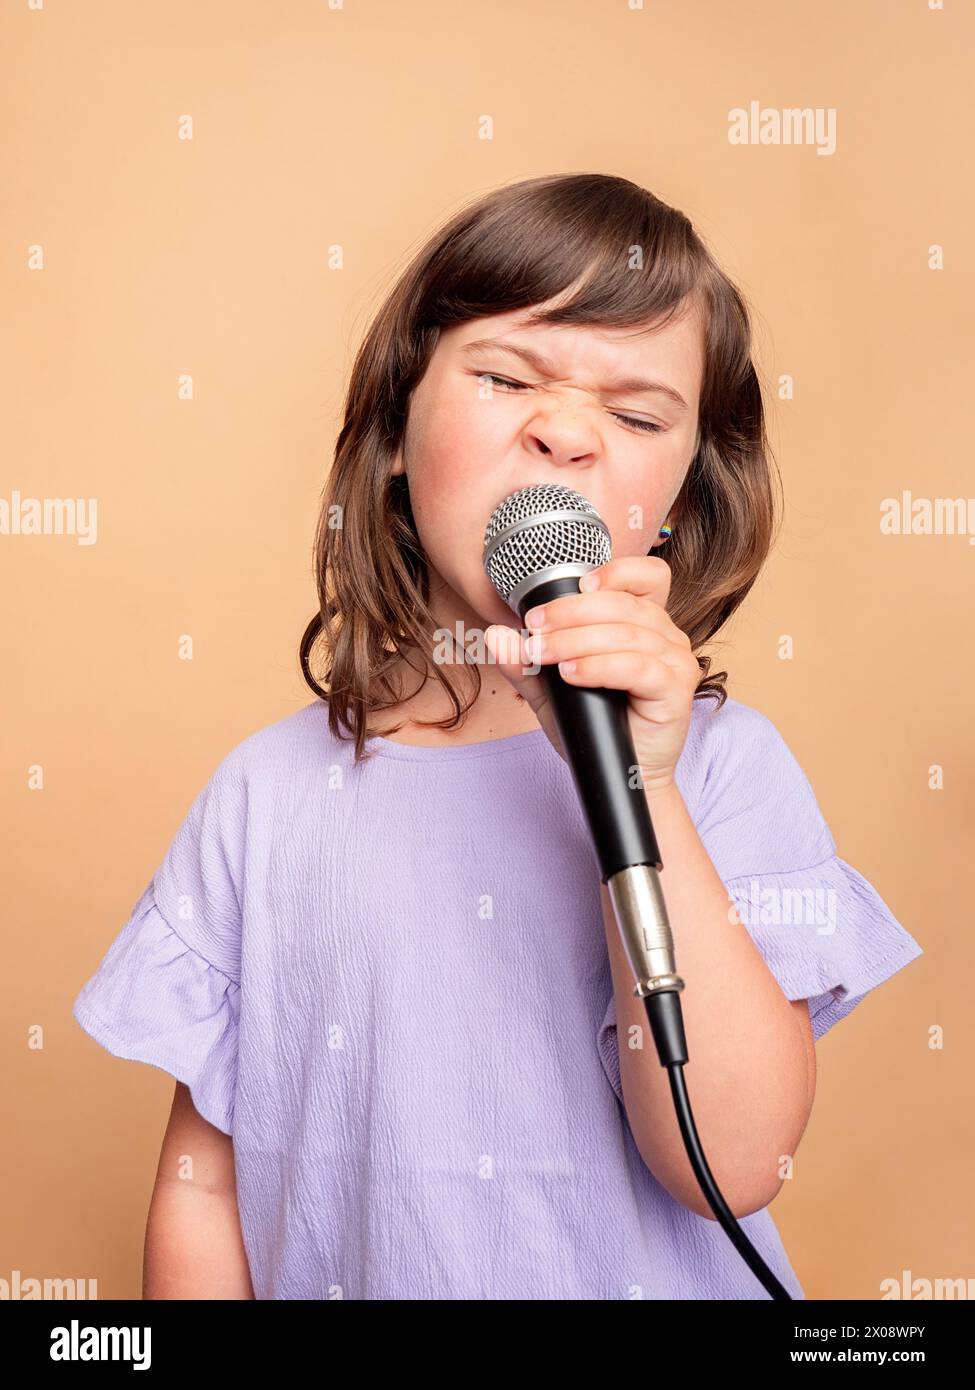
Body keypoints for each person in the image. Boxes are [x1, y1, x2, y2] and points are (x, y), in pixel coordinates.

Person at [72, 172, 923, 1300]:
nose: (564, 431)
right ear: (392, 436)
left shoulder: (723, 769)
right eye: (505, 376)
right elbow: (204, 1182)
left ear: (674, 498)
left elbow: (730, 1161)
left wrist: (643, 786)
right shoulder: (264, 797)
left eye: (633, 414)